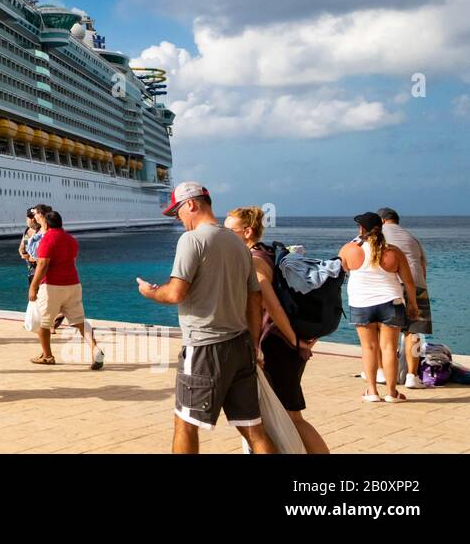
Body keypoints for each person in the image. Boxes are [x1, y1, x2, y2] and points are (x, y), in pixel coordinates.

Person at [137, 182, 275, 454]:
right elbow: (255, 298)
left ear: (191, 204)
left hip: (204, 347)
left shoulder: (192, 240)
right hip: (240, 345)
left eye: (178, 211)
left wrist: (151, 292)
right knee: (254, 430)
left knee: (185, 425)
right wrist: (253, 343)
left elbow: (176, 293)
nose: (178, 219)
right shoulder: (238, 243)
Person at [225, 206, 329, 453]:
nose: (225, 235)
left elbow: (270, 305)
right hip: (282, 345)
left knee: (293, 417)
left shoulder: (254, 260)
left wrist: (294, 341)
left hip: (277, 347)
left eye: (229, 230)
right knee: (283, 416)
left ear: (247, 231)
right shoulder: (266, 252)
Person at [341, 212, 419, 403]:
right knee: (389, 348)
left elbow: (337, 275)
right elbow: (408, 282)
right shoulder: (394, 252)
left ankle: (372, 391)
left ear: (361, 229)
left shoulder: (348, 250)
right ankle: (392, 393)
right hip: (390, 302)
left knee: (368, 347)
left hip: (361, 303)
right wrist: (413, 305)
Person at [29, 210, 103, 369]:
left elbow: (42, 264)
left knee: (42, 323)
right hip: (73, 284)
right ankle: (95, 348)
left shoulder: (47, 239)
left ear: (47, 224)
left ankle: (47, 356)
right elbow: (71, 260)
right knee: (80, 322)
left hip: (52, 286)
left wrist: (33, 287)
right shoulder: (71, 239)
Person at [378, 208, 431, 390]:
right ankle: (412, 376)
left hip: (391, 285)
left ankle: (381, 371)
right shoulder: (412, 237)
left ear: (382, 221)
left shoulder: (377, 234)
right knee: (414, 330)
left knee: (384, 330)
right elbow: (423, 267)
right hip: (417, 285)